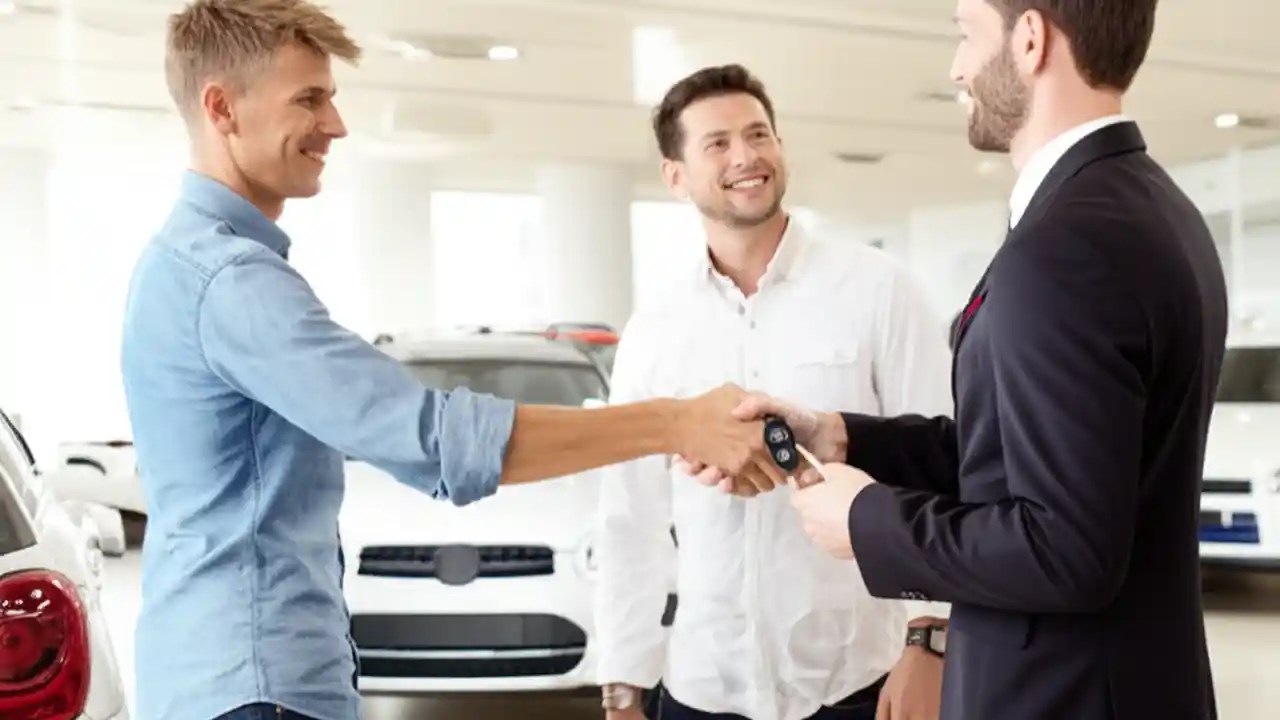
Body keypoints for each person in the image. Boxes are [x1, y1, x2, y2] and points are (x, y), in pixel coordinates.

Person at [121, 3, 785, 720]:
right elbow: (435, 440)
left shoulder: (189, 267)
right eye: (309, 99)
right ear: (221, 107)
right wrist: (677, 423)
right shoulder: (229, 282)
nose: (335, 125)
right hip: (251, 688)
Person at [690, 1, 1229, 719]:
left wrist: (868, 521)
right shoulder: (1153, 209)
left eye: (967, 34)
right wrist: (840, 435)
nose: (956, 67)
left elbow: (1064, 549)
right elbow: (1030, 459)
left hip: (1060, 695)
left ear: (1030, 39)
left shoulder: (1065, 245)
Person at [594, 65, 954, 720]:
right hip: (704, 685)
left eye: (759, 134)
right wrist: (623, 684)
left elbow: (939, 471)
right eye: (718, 143)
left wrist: (928, 641)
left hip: (856, 683)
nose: (747, 156)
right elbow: (630, 517)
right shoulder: (655, 327)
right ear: (675, 175)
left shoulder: (878, 289)